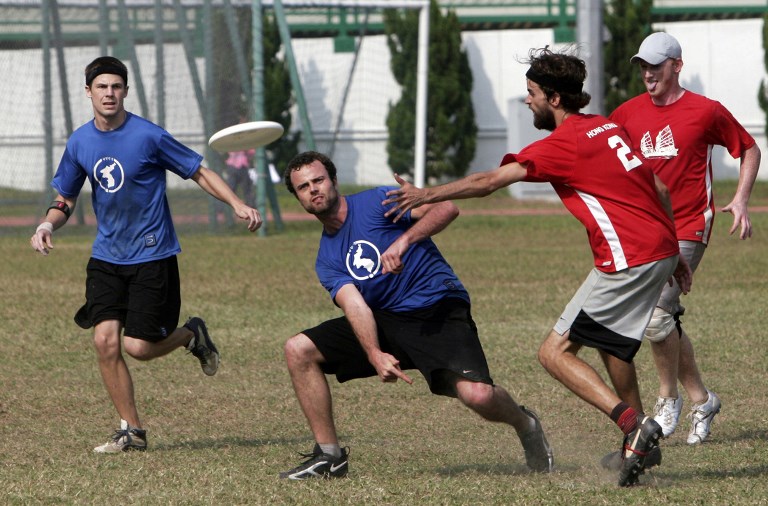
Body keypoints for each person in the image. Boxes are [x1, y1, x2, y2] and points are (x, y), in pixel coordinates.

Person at [383, 47, 692, 487]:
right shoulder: (605, 126)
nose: (527, 100)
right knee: (611, 344)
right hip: (654, 249)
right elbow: (658, 187)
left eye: (532, 93)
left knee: (553, 354)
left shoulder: (563, 143)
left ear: (555, 98)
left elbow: (488, 181)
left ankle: (635, 426)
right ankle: (638, 440)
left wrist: (426, 194)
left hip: (630, 256)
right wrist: (674, 252)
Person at [29, 56, 263, 453]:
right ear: (88, 92)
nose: (109, 93)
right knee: (105, 342)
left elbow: (198, 171)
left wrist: (237, 204)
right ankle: (132, 431)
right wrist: (47, 225)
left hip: (152, 256)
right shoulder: (80, 142)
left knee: (138, 347)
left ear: (125, 91)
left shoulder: (148, 136)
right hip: (107, 257)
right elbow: (64, 198)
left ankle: (191, 334)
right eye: (101, 87)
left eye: (116, 86)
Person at [279, 150, 554, 480]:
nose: (313, 189)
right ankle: (329, 457)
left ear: (334, 180)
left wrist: (404, 241)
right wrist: (374, 353)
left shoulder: (378, 201)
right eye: (303, 186)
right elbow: (355, 306)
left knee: (478, 396)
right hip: (386, 319)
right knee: (298, 349)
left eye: (318, 180)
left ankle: (526, 424)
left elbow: (446, 208)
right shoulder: (327, 259)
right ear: (298, 197)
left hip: (436, 308)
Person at [609, 32, 760, 445]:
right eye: (643, 66)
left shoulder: (705, 110)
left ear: (676, 66)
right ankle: (702, 399)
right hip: (645, 228)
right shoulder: (625, 113)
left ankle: (667, 399)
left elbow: (749, 149)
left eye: (655, 66)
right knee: (665, 319)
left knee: (657, 314)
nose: (647, 74)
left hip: (690, 224)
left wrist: (741, 199)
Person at [225, 117, 256, 208]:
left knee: (247, 188)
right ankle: (225, 208)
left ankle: (251, 206)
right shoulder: (232, 136)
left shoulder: (248, 138)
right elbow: (229, 149)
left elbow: (251, 153)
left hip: (243, 166)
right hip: (232, 166)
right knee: (230, 189)